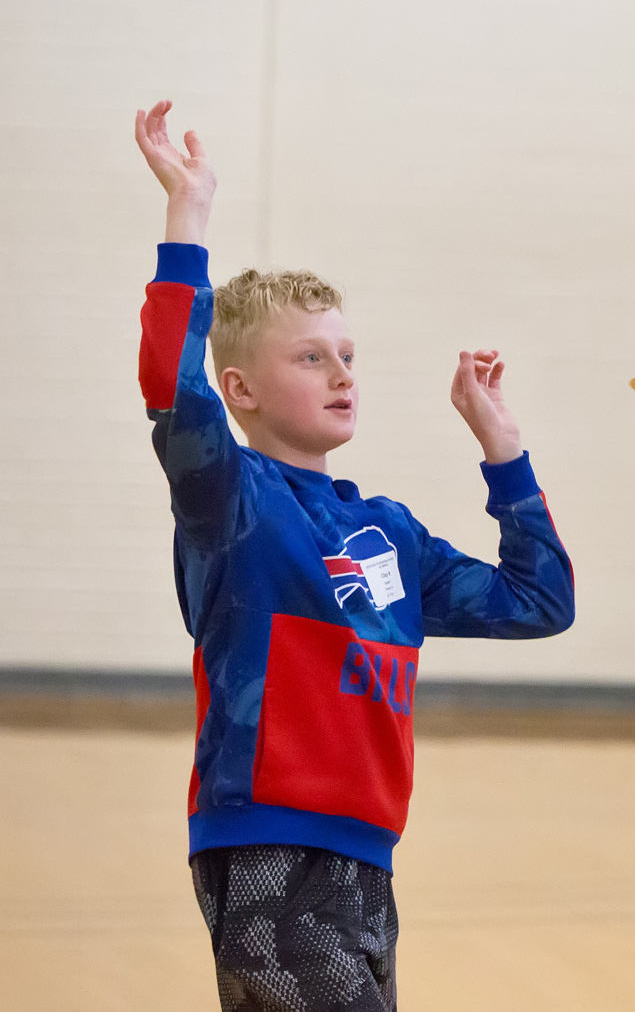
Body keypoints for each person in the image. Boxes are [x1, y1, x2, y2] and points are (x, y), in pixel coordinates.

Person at [134, 99, 576, 1012]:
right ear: (241, 388)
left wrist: (503, 450)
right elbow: (169, 387)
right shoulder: (234, 504)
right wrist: (189, 217)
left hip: (368, 856)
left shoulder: (390, 533)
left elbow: (540, 600)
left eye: (348, 354)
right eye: (310, 357)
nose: (342, 374)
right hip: (267, 849)